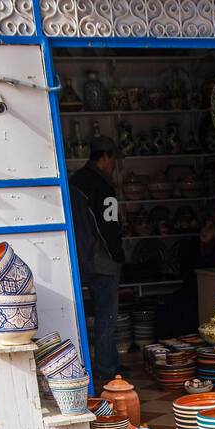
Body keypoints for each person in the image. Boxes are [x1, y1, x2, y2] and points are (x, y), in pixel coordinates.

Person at [70, 135, 124, 389]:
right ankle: (106, 367)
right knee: (106, 316)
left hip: (79, 259)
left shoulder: (74, 182)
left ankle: (85, 367)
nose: (114, 166)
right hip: (102, 261)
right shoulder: (103, 187)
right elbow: (110, 226)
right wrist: (118, 255)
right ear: (105, 157)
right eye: (114, 160)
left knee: (79, 315)